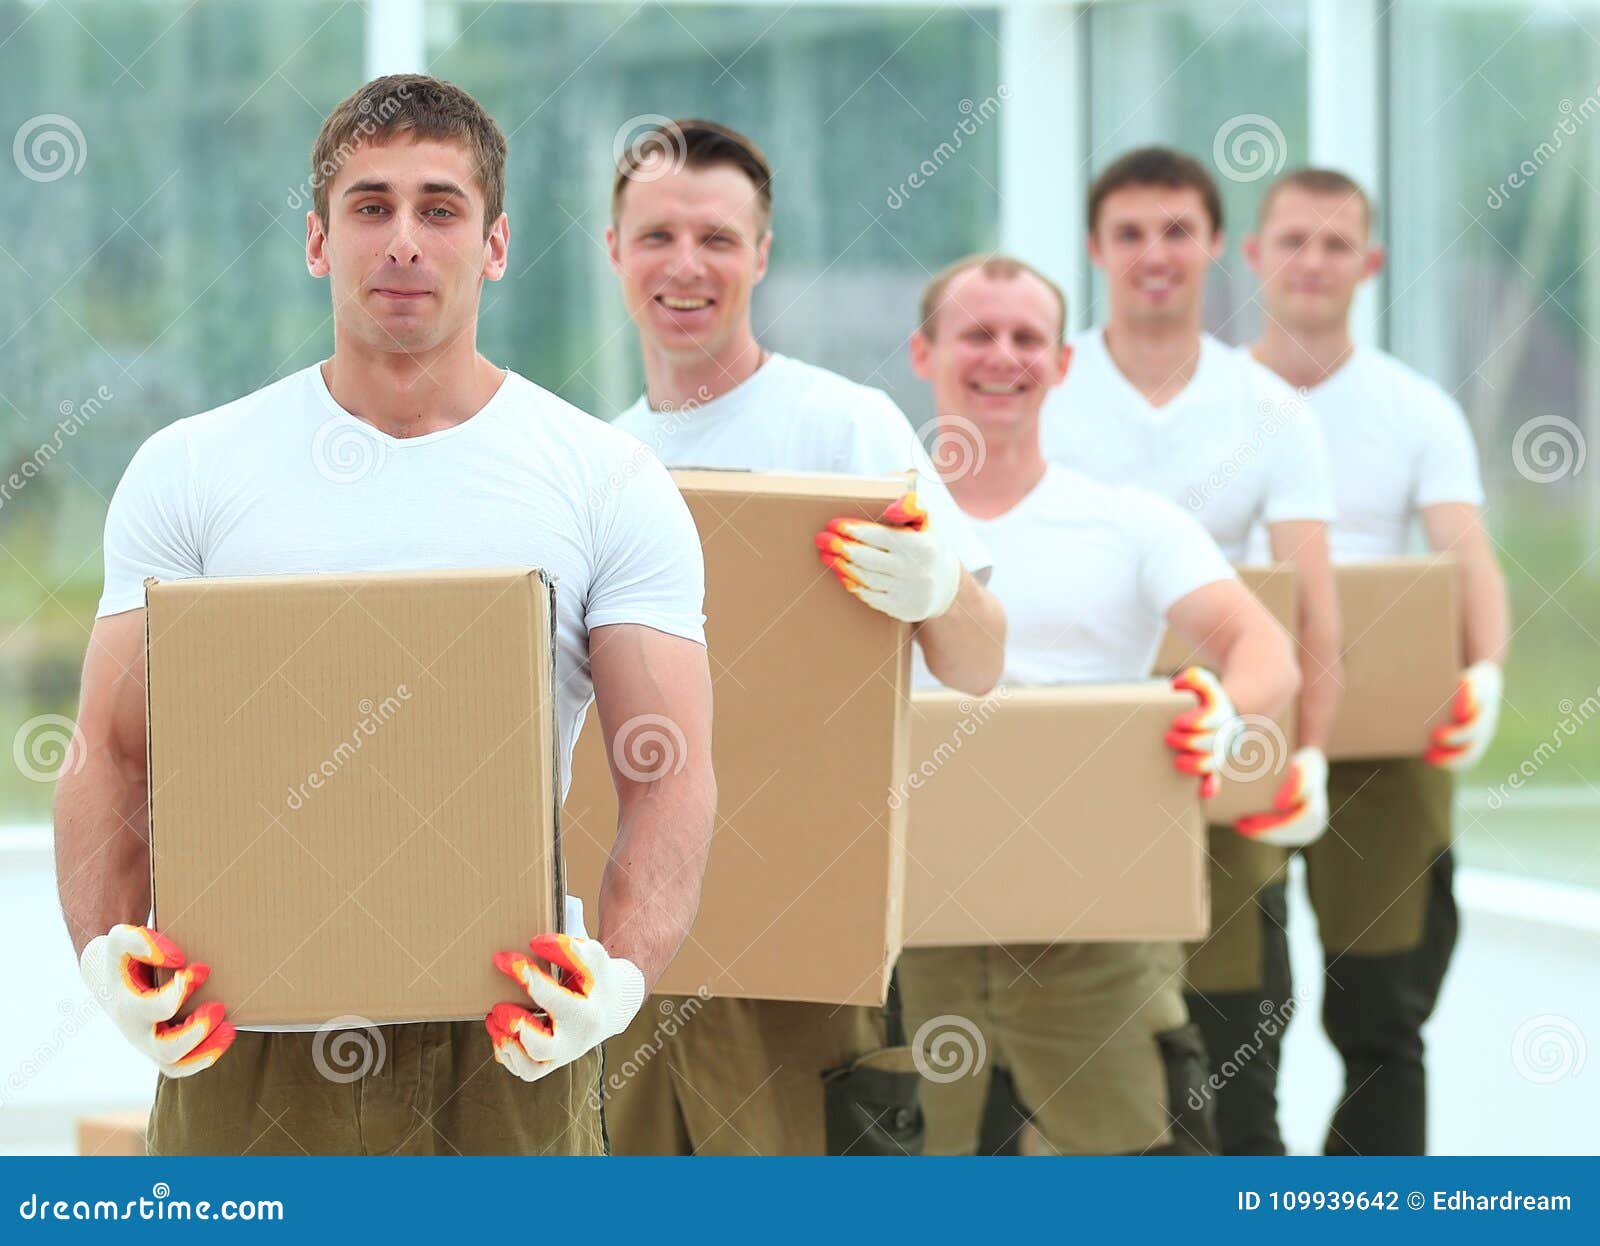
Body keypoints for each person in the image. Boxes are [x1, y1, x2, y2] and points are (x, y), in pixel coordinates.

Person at [54, 75, 716, 1156]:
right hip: (245, 1028)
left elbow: (670, 769)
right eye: (370, 207)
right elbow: (110, 753)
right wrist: (106, 960)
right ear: (318, 241)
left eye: (439, 209)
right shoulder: (193, 468)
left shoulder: (606, 480)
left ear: (494, 245)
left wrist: (622, 977)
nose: (403, 239)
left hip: (507, 1032)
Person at [602, 118, 1007, 1155]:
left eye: (718, 238)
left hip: (805, 951)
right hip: (639, 948)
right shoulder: (596, 462)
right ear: (613, 250)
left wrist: (937, 584)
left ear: (762, 254)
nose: (685, 265)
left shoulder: (842, 428)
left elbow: (979, 662)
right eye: (656, 236)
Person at [895, 253, 1299, 1155]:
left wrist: (1225, 715)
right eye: (978, 334)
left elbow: (1264, 648)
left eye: (1028, 337)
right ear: (924, 353)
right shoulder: (882, 523)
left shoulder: (1132, 521)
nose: (1005, 356)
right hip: (914, 931)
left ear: (1063, 363)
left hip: (1100, 936)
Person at [1037, 146, 1341, 1154]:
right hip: (1066, 762)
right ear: (1095, 248)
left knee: (1233, 1046)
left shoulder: (1271, 410)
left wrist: (1307, 753)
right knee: (1070, 1045)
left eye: (1177, 231)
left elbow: (1308, 608)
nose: (1154, 254)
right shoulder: (1041, 390)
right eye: (1130, 233)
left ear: (1216, 243)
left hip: (1220, 747)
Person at [1244, 167, 1509, 1154]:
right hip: (1253, 729)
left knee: (1382, 1014)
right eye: (1294, 240)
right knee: (1229, 1010)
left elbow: (1465, 555)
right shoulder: (1218, 401)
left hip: (1385, 741)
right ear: (1254, 255)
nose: (1313, 260)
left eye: (1335, 243)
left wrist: (1483, 671)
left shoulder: (1413, 408)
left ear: (1371, 262)